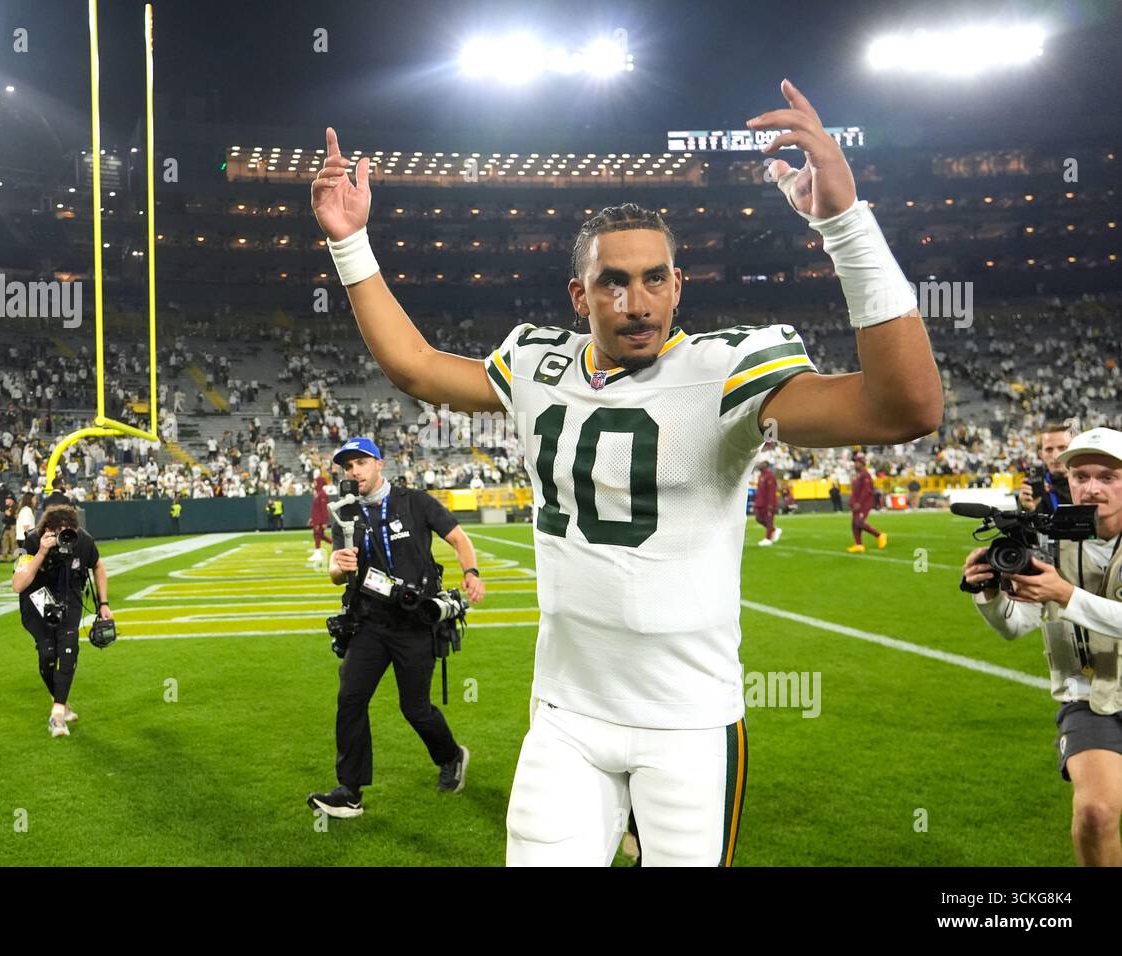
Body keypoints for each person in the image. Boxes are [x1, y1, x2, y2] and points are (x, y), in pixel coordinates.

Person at [311, 78, 943, 865]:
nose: (636, 300)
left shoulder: (726, 371)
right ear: (581, 295)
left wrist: (843, 224)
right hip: (566, 716)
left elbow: (905, 408)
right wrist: (349, 242)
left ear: (679, 286)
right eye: (614, 281)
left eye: (654, 278)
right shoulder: (538, 363)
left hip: (688, 720)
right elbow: (414, 367)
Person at [962, 427, 1122, 866]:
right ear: (1067, 479)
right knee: (1095, 812)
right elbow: (1016, 626)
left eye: (1108, 477)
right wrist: (990, 596)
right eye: (1081, 475)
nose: (1092, 487)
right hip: (1092, 694)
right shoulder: (1049, 545)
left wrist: (1064, 595)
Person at [307, 437, 486, 818]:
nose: (353, 472)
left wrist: (470, 571)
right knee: (351, 698)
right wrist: (339, 565)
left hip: (415, 622)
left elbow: (457, 537)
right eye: (347, 466)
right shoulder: (346, 512)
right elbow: (335, 574)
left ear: (378, 463)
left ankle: (451, 756)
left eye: (360, 463)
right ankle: (349, 792)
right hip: (369, 623)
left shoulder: (414, 501)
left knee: (415, 707)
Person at [11, 503, 113, 738]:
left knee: (68, 648)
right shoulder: (32, 541)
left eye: (70, 529)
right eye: (59, 530)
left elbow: (97, 565)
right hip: (40, 597)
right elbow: (18, 585)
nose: (65, 535)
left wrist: (103, 603)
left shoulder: (84, 541)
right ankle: (61, 702)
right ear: (47, 529)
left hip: (69, 594)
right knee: (48, 652)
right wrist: (42, 552)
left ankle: (57, 714)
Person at [1019, 422, 1075, 515]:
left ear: (1073, 450)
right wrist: (1028, 511)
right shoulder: (1035, 490)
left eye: (1062, 448)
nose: (1056, 456)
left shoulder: (1088, 484)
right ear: (1041, 455)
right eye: (1049, 449)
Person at [847, 453, 886, 553]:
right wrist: (852, 501)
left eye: (857, 462)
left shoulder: (865, 475)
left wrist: (859, 503)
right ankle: (859, 544)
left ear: (862, 463)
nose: (855, 464)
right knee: (854, 524)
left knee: (859, 522)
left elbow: (867, 491)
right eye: (855, 462)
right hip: (857, 503)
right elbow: (855, 491)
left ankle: (879, 535)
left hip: (864, 502)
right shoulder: (858, 475)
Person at [754, 460, 781, 546]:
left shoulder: (770, 476)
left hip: (768, 503)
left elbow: (771, 492)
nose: (759, 465)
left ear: (765, 466)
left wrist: (771, 505)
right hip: (760, 502)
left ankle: (768, 539)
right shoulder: (760, 476)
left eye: (761, 464)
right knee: (758, 518)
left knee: (769, 521)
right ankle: (774, 530)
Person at [308, 473, 330, 568]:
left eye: (316, 481)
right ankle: (331, 544)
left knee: (318, 535)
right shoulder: (318, 493)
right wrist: (312, 518)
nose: (314, 483)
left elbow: (324, 509)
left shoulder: (322, 494)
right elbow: (315, 508)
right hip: (316, 519)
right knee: (319, 535)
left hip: (319, 519)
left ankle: (318, 553)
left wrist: (324, 521)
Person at [0, 494, 18, 560]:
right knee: (4, 541)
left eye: (7, 499)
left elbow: (17, 517)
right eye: (6, 499)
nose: (6, 500)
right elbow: (4, 518)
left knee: (13, 542)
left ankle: (15, 557)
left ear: (12, 500)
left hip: (13, 526)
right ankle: (4, 557)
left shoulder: (16, 507)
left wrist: (10, 515)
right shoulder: (6, 508)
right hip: (6, 526)